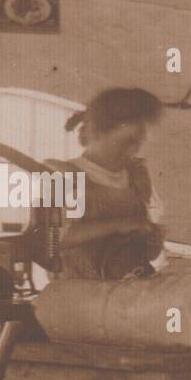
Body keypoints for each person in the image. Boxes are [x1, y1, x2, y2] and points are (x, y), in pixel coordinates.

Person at [46, 87, 166, 279]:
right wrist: (117, 225)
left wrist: (152, 240)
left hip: (128, 288)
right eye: (125, 142)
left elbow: (145, 254)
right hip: (79, 293)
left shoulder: (136, 176)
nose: (132, 151)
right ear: (96, 133)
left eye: (138, 142)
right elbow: (52, 241)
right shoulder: (62, 175)